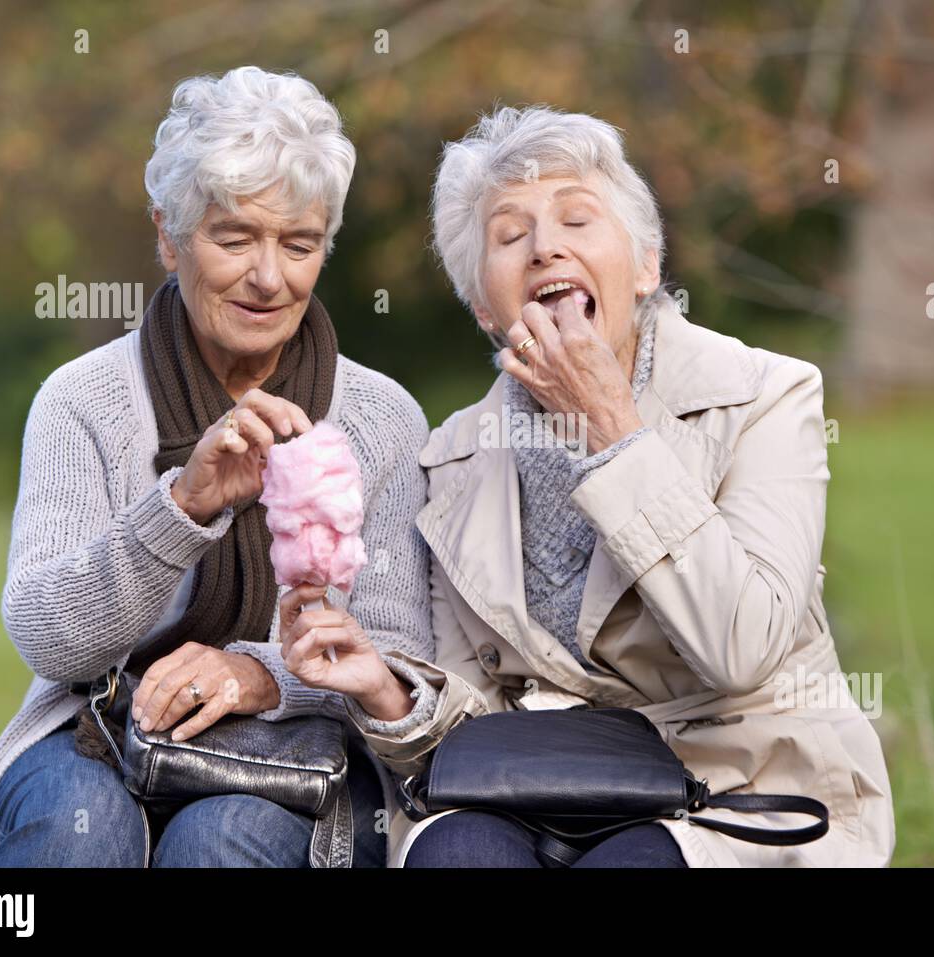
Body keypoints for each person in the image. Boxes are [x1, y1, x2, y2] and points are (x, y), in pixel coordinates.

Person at [283, 105, 897, 867]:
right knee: (456, 850)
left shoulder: (765, 396)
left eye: (578, 220)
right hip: (535, 788)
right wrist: (389, 693)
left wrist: (614, 433)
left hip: (733, 786)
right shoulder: (450, 459)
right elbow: (467, 726)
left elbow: (744, 647)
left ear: (644, 267)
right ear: (485, 307)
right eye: (510, 236)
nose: (545, 248)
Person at [0, 66, 432, 867]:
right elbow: (47, 639)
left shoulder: (381, 417)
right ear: (167, 235)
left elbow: (400, 657)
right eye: (234, 236)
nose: (268, 277)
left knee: (221, 842)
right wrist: (180, 508)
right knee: (78, 834)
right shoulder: (83, 399)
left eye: (299, 244)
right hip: (96, 724)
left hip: (297, 746)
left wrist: (258, 674)